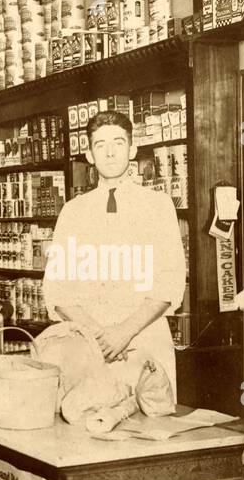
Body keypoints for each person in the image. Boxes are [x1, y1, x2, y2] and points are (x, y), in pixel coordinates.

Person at [43, 110, 186, 399]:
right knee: (90, 426)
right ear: (89, 154)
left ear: (132, 149)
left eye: (118, 143)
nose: (110, 153)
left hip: (144, 342)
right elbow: (58, 290)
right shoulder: (73, 211)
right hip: (89, 348)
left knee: (150, 430)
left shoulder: (158, 206)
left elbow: (169, 283)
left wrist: (123, 333)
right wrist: (99, 336)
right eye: (100, 145)